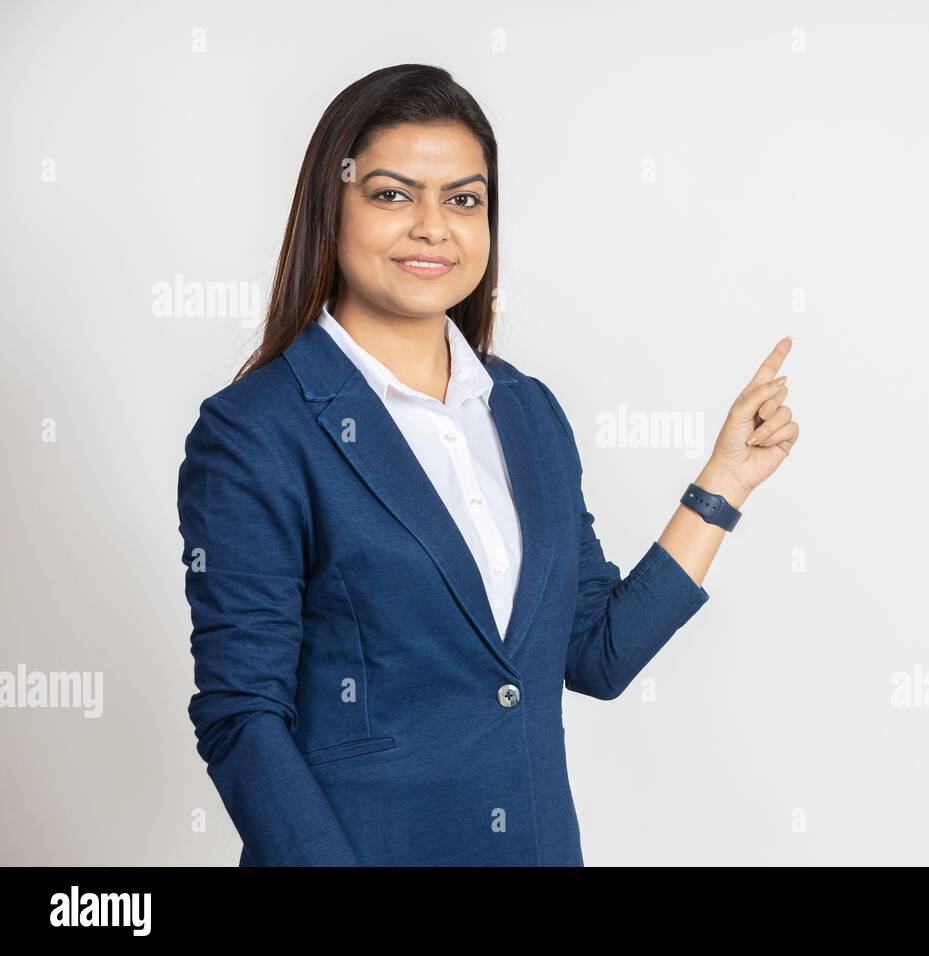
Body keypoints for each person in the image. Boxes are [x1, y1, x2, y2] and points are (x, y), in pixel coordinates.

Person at [176, 63, 798, 866]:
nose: (434, 226)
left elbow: (595, 654)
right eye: (393, 194)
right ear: (332, 209)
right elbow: (242, 717)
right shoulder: (255, 431)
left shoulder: (526, 411)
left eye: (464, 199)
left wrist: (725, 483)